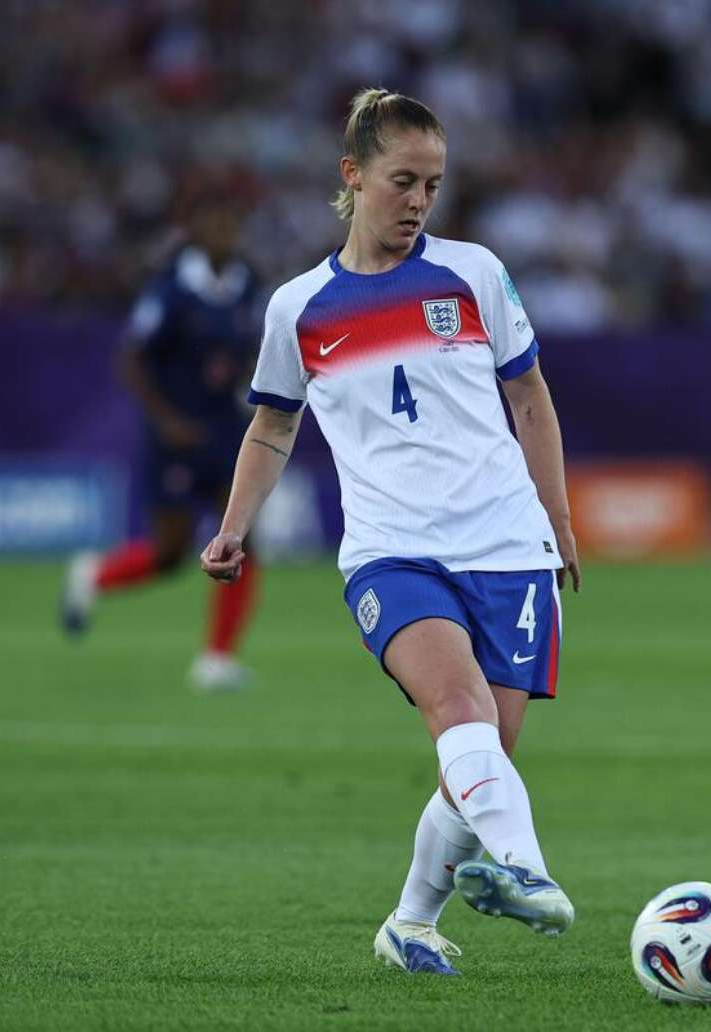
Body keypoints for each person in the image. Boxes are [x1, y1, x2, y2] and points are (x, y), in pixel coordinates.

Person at [199, 89, 581, 976]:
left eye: (433, 186)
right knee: (461, 711)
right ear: (353, 176)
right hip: (392, 553)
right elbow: (272, 426)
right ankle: (527, 869)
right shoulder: (300, 308)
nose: (417, 201)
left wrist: (558, 517)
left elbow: (530, 398)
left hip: (509, 546)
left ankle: (410, 923)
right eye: (402, 180)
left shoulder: (475, 274)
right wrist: (232, 529)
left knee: (482, 756)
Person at [60, 185, 265, 693]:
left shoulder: (246, 284)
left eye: (231, 224)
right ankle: (95, 576)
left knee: (243, 541)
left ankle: (216, 659)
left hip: (225, 431)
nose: (224, 234)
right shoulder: (171, 288)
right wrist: (165, 419)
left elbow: (251, 343)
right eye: (214, 224)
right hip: (175, 436)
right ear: (194, 231)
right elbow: (131, 359)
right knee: (170, 553)